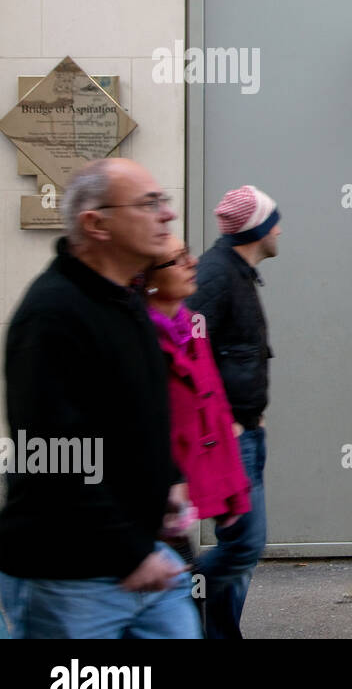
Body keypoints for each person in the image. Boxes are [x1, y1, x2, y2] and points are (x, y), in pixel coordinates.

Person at [0, 158, 200, 638]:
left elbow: (140, 413)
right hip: (72, 575)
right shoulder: (52, 316)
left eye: (164, 202)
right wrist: (130, 552)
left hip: (145, 560)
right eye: (149, 204)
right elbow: (52, 455)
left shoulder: (125, 301)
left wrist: (168, 481)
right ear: (96, 224)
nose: (167, 216)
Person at [187, 185, 280, 639]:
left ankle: (220, 633)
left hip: (248, 435)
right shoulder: (216, 276)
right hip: (230, 439)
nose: (280, 228)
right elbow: (187, 350)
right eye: (274, 220)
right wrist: (222, 422)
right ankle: (187, 590)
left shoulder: (239, 274)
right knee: (244, 545)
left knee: (241, 549)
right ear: (258, 228)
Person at [142, 235, 251, 576]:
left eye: (187, 253)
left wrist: (230, 494)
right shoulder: (137, 340)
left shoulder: (190, 330)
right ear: (148, 282)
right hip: (135, 520)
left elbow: (214, 410)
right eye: (178, 259)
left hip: (170, 521)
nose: (193, 263)